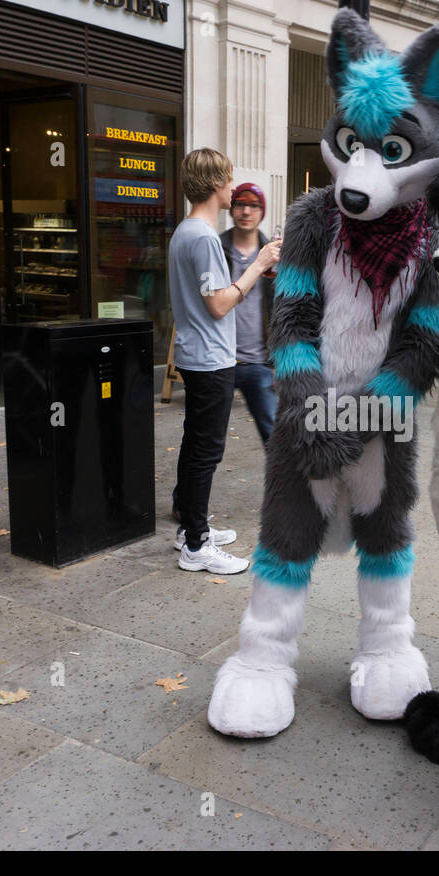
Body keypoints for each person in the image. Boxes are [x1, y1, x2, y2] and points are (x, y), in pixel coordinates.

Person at [169, 148, 281, 574]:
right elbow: (220, 304)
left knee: (195, 445)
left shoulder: (185, 233)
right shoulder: (202, 237)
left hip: (197, 356)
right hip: (211, 359)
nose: (233, 189)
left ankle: (191, 529)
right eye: (229, 180)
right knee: (205, 452)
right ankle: (196, 546)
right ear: (215, 184)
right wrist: (259, 264)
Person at [221, 182, 277, 444]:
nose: (246, 211)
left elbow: (283, 311)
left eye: (253, 206)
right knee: (207, 444)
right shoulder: (217, 249)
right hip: (219, 362)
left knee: (276, 440)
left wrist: (279, 363)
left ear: (261, 211)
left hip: (259, 364)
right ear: (232, 209)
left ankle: (286, 487)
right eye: (240, 205)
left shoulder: (274, 255)